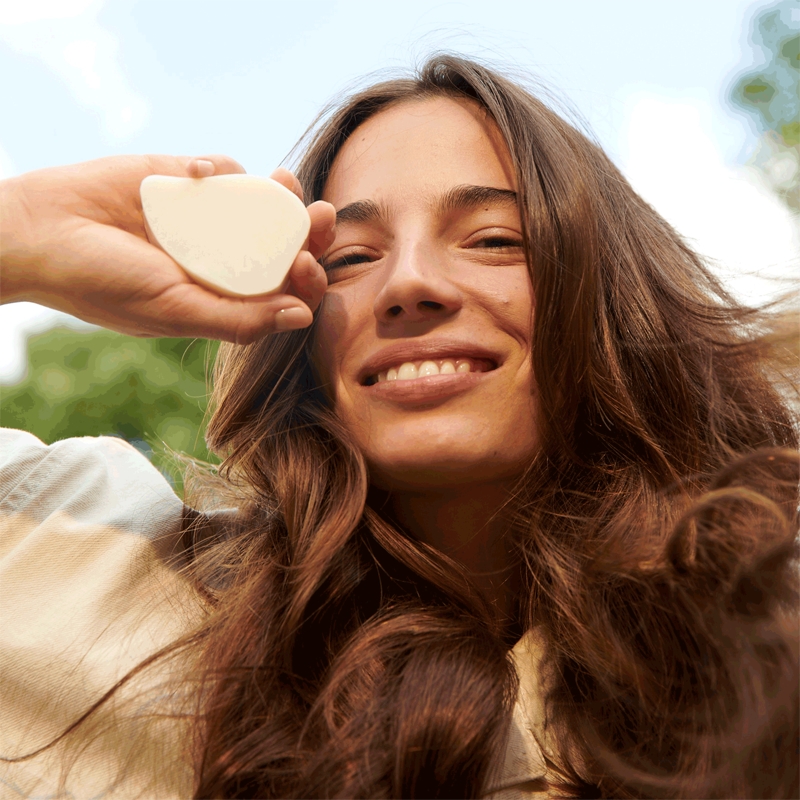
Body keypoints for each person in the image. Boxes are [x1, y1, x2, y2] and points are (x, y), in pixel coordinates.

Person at [0, 54, 797, 799]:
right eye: (349, 257)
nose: (409, 282)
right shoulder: (100, 569)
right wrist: (22, 232)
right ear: (299, 332)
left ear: (611, 299)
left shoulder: (769, 624)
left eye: (494, 240)